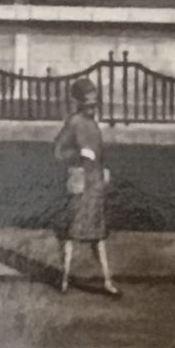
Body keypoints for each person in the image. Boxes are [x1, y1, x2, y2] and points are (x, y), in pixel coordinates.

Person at [52, 78, 119, 297]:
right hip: (81, 184)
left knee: (98, 236)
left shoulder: (93, 123)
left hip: (95, 185)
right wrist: (79, 155)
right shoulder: (74, 123)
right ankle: (64, 278)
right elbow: (58, 153)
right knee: (71, 235)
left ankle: (107, 280)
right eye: (89, 104)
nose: (92, 108)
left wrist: (104, 167)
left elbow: (100, 151)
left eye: (95, 104)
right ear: (80, 103)